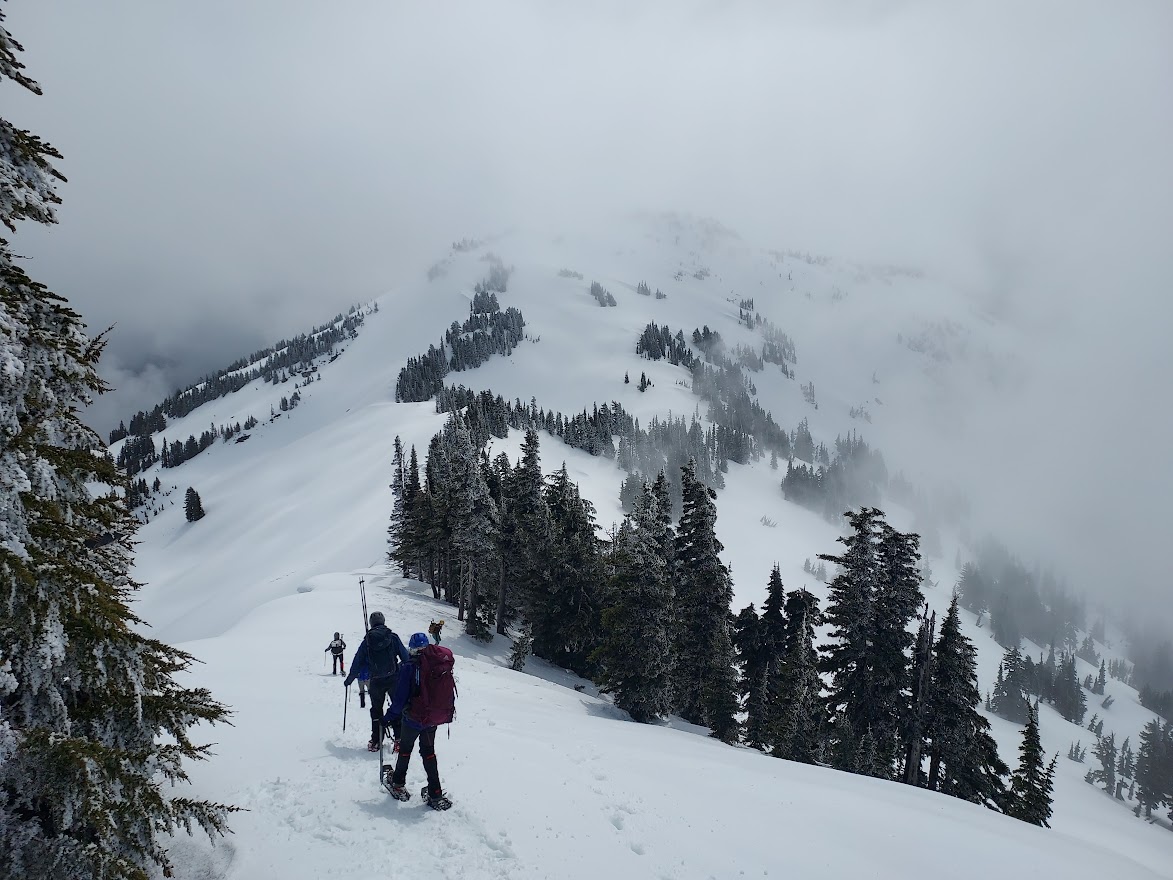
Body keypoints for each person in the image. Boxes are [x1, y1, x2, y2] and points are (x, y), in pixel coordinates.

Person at [383, 632, 453, 810]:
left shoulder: (409, 667)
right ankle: (435, 793)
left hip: (414, 718)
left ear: (412, 648)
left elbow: (399, 701)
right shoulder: (437, 663)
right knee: (429, 752)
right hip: (432, 719)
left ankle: (398, 783)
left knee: (405, 750)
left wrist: (388, 717)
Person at [343, 612, 409, 752]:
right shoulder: (393, 637)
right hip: (393, 678)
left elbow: (358, 661)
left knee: (376, 710)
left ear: (371, 624)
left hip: (376, 681)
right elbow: (405, 657)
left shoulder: (367, 641)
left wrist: (350, 679)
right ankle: (399, 740)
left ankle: (376, 741)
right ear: (383, 621)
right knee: (397, 708)